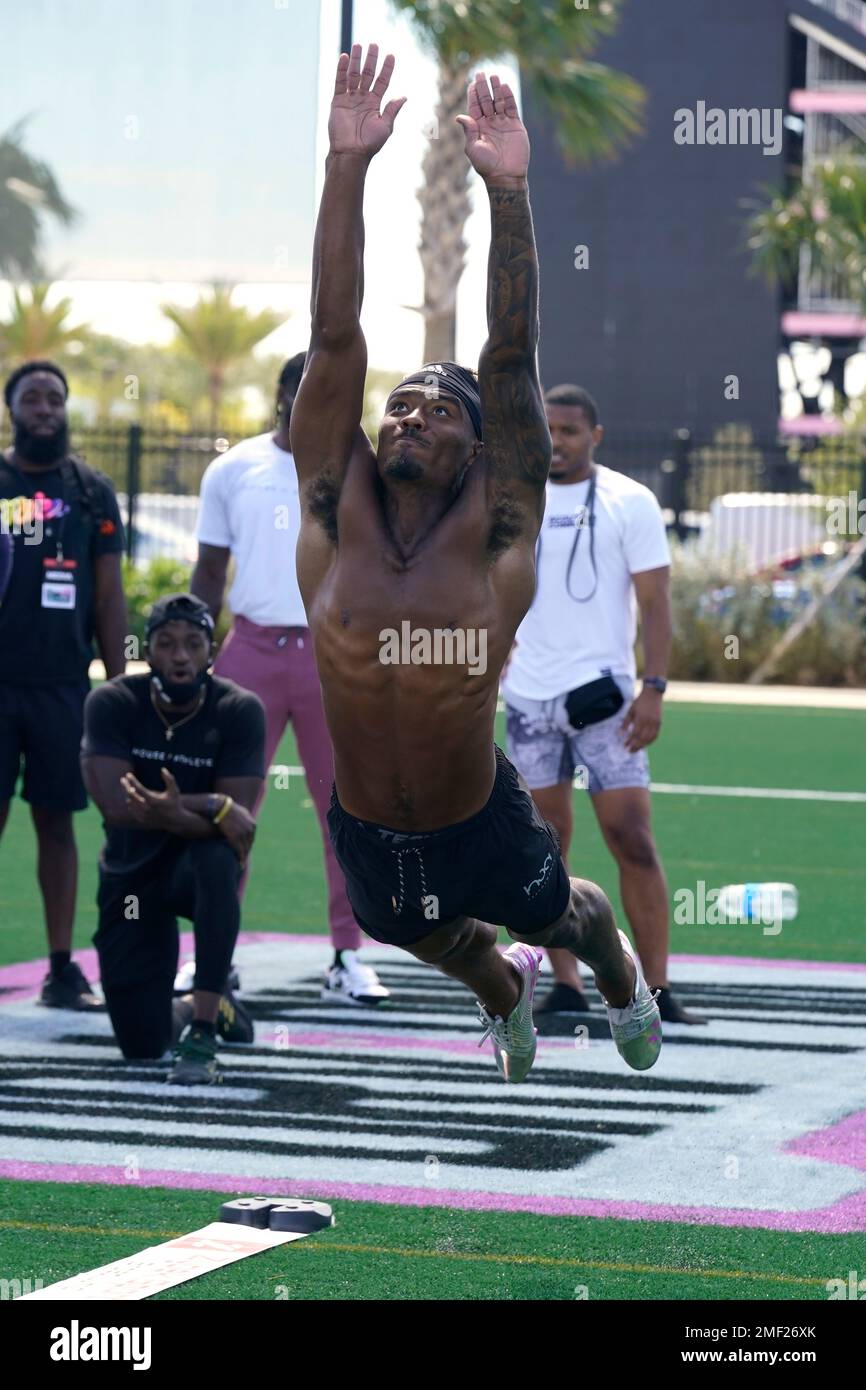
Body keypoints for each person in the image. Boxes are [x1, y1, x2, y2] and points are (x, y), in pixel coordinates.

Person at [288, 43, 662, 1083]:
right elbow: (331, 338)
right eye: (400, 403)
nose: (410, 415)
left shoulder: (499, 526)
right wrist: (345, 164)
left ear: (478, 446)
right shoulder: (334, 504)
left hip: (475, 814)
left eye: (437, 410)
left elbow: (509, 355)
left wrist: (506, 191)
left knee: (564, 917)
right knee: (423, 935)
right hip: (368, 823)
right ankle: (497, 990)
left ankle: (618, 976)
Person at [191, 356, 390, 1007]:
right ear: (282, 395)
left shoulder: (362, 473)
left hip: (331, 655)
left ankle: (347, 957)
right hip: (248, 651)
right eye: (302, 390)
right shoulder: (234, 467)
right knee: (227, 808)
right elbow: (210, 570)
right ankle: (211, 961)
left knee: (346, 811)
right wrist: (194, 656)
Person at [503, 384, 703, 1025]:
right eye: (548, 429)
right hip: (529, 701)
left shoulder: (629, 500)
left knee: (632, 839)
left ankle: (660, 987)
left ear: (596, 435)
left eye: (569, 430)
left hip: (608, 704)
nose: (556, 441)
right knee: (544, 847)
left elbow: (656, 604)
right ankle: (566, 983)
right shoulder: (510, 495)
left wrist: (656, 686)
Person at [80, 593, 266, 1085]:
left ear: (211, 650)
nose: (180, 655)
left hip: (193, 873)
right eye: (166, 643)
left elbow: (238, 826)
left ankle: (203, 1030)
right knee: (141, 1046)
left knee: (216, 859)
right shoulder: (114, 701)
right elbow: (119, 809)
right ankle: (199, 1005)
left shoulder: (239, 709)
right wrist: (209, 806)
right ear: (148, 649)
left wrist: (195, 812)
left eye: (192, 643)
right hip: (132, 878)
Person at [0, 361, 127, 1011]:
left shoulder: (91, 492)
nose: (44, 408)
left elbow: (109, 598)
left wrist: (119, 692)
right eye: (32, 398)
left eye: (54, 397)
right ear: (12, 410)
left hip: (61, 689)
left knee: (58, 823)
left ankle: (60, 970)